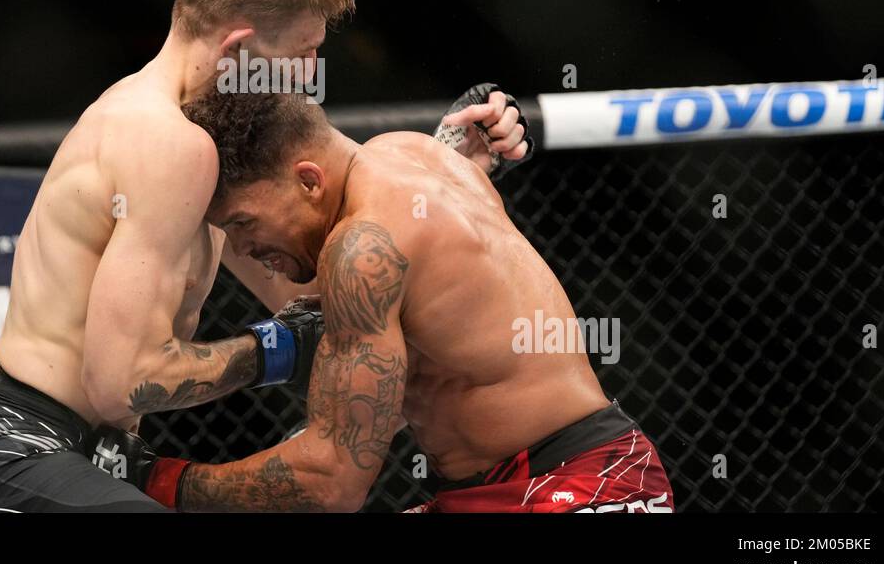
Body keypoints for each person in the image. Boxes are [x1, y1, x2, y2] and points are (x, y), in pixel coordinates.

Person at [0, 0, 532, 511]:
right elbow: (119, 385)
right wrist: (280, 349)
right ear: (243, 47)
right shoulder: (167, 144)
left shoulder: (217, 152)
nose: (310, 75)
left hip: (88, 456)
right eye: (303, 51)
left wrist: (449, 163)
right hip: (16, 447)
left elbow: (344, 283)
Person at [114, 87, 673, 513]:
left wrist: (154, 479)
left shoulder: (360, 246)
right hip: (522, 486)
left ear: (309, 180)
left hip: (579, 487)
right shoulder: (407, 153)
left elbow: (330, 482)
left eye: (242, 221)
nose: (242, 247)